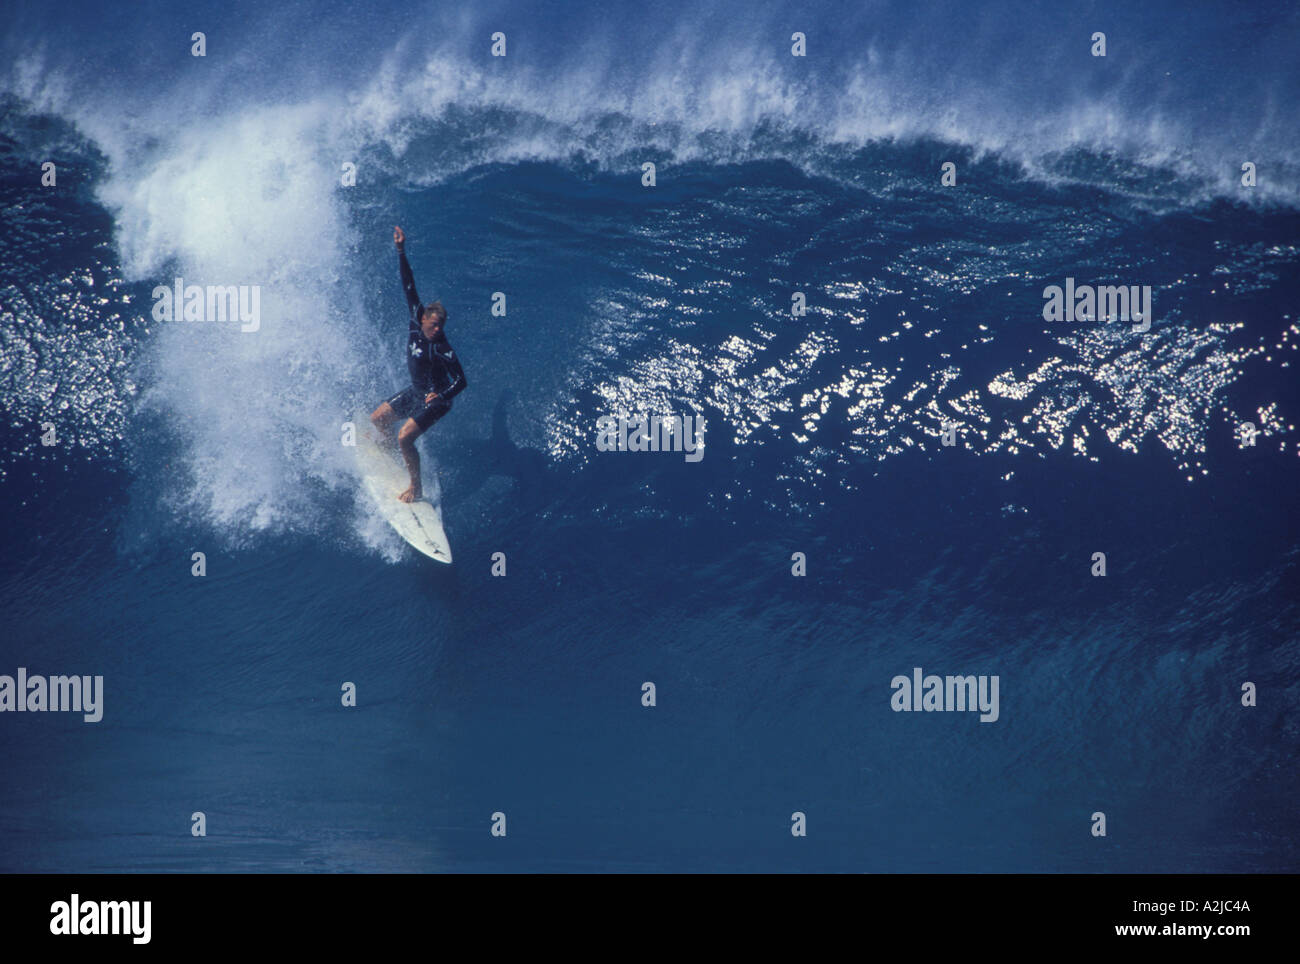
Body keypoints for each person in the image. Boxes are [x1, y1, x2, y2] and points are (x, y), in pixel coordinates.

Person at [369, 226, 467, 503]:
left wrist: (442, 395)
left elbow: (461, 380)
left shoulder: (442, 348)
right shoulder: (416, 316)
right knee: (377, 419)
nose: (437, 330)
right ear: (423, 318)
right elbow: (408, 283)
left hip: (436, 401)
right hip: (416, 390)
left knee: (405, 437)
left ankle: (416, 487)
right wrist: (401, 250)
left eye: (441, 326)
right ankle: (387, 449)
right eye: (434, 324)